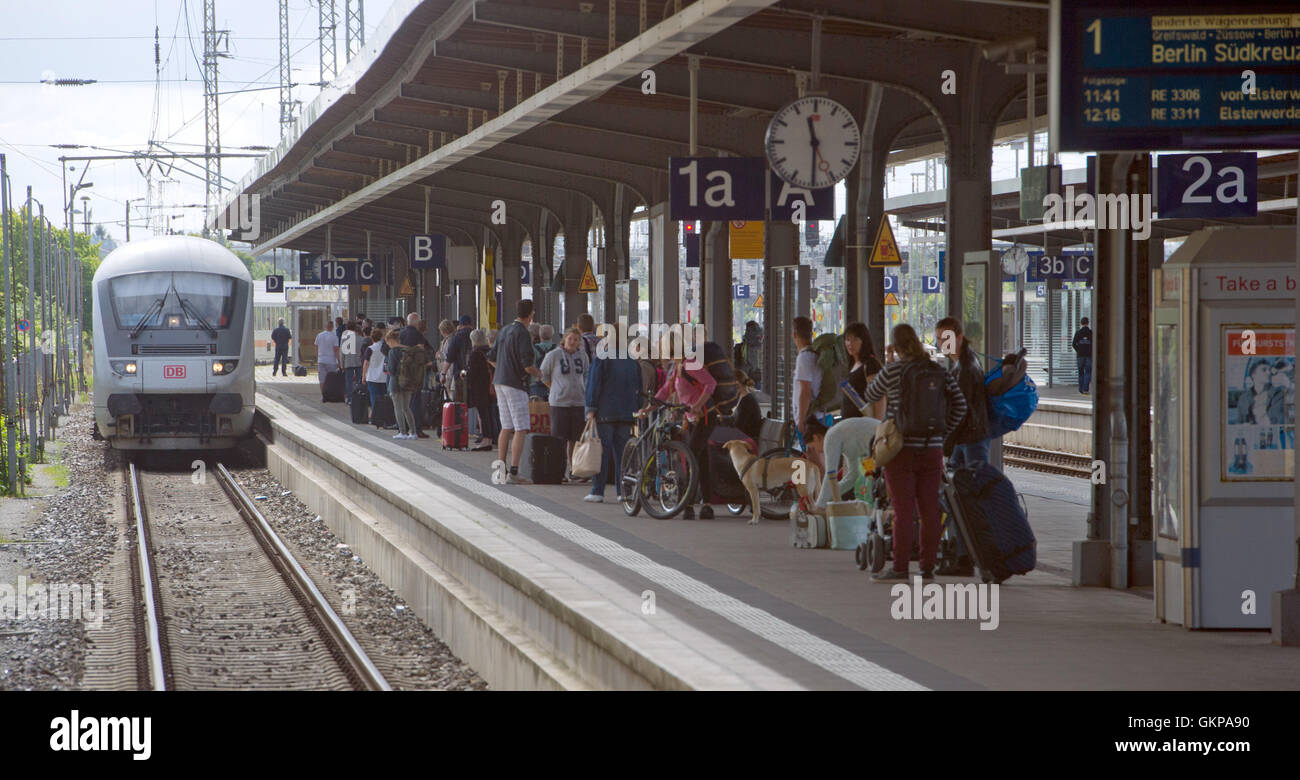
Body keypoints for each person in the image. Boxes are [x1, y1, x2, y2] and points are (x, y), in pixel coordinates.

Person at [860, 323, 968, 582]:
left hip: (900, 449)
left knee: (903, 510)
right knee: (930, 510)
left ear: (895, 346)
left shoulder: (893, 370)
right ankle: (927, 567)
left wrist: (888, 362)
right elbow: (960, 405)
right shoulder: (938, 370)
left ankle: (899, 568)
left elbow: (870, 393)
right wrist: (941, 434)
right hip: (931, 450)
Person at [654, 332, 717, 520]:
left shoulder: (690, 363)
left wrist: (697, 405)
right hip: (691, 419)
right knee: (700, 459)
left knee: (690, 456)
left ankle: (688, 504)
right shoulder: (678, 366)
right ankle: (706, 505)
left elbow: (711, 384)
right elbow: (667, 389)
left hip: (705, 416)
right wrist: (650, 406)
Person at [583, 322, 642, 503]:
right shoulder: (632, 360)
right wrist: (636, 409)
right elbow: (638, 387)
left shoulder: (603, 358)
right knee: (622, 455)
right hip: (626, 413)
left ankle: (597, 491)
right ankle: (622, 491)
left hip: (605, 412)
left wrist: (591, 408)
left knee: (602, 452)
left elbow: (594, 385)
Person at [488, 300, 541, 483]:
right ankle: (514, 473)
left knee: (506, 426)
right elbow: (527, 366)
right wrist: (539, 374)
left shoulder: (504, 331)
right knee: (521, 428)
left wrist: (503, 368)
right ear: (531, 314)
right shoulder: (523, 333)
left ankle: (500, 470)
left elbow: (491, 357)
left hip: (500, 382)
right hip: (515, 385)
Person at [936, 317, 991, 468]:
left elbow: (961, 407)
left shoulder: (965, 368)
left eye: (946, 338)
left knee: (976, 484)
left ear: (959, 337)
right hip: (966, 436)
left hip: (971, 437)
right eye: (939, 338)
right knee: (962, 484)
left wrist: (946, 440)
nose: (941, 343)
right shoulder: (965, 361)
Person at [540, 327, 589, 481]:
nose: (573, 342)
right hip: (559, 403)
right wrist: (555, 387)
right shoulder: (553, 355)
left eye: (576, 339)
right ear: (564, 339)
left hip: (579, 402)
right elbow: (543, 374)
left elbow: (587, 374)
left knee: (575, 438)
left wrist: (585, 390)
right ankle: (558, 470)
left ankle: (574, 469)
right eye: (570, 338)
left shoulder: (583, 356)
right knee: (559, 438)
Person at [800, 414, 879, 509]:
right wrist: (830, 498)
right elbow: (853, 475)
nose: (817, 451)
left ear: (816, 437)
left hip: (881, 443)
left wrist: (820, 504)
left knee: (870, 484)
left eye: (813, 447)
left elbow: (830, 475)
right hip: (877, 446)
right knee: (868, 482)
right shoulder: (841, 437)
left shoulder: (830, 437)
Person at [839, 322, 885, 421]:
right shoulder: (852, 364)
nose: (850, 344)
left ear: (864, 341)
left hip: (864, 426)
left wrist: (876, 426)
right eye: (847, 339)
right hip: (850, 425)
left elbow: (879, 397)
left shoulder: (870, 365)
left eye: (855, 339)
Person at [399, 312, 433, 439]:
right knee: (415, 401)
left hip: (401, 372)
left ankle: (403, 428)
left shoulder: (400, 333)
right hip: (415, 373)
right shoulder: (418, 335)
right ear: (416, 322)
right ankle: (416, 429)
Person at [465, 329, 497, 450]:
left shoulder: (475, 353)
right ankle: (489, 439)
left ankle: (486, 440)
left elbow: (472, 374)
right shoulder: (490, 351)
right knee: (488, 413)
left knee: (483, 414)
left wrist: (466, 377)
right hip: (490, 387)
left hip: (479, 389)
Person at [384, 330, 418, 439]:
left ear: (390, 340)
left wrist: (387, 366)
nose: (388, 345)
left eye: (388, 342)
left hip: (395, 382)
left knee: (398, 408)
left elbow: (391, 370)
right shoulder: (408, 350)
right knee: (406, 408)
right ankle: (413, 432)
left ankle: (402, 432)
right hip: (408, 382)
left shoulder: (393, 352)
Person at [791, 316, 822, 437]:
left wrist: (801, 420)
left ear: (795, 335)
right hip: (817, 415)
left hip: (810, 418)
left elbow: (805, 391)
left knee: (811, 455)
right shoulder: (814, 354)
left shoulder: (804, 358)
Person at [444, 314, 474, 402]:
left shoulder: (456, 337)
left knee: (460, 401)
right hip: (474, 374)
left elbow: (450, 358)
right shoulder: (476, 335)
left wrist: (443, 373)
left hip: (460, 374)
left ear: (460, 325)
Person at [730, 370, 763, 442]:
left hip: (747, 439)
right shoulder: (744, 397)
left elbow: (740, 425)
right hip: (745, 435)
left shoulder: (747, 401)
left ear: (737, 382)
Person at [361, 327, 388, 413]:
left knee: (374, 397)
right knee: (383, 397)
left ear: (372, 338)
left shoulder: (370, 349)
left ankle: (376, 414)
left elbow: (366, 363)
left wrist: (363, 376)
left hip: (372, 377)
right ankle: (384, 414)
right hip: (384, 377)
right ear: (381, 337)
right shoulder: (386, 348)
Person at [314, 323, 341, 402]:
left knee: (322, 379)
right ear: (332, 327)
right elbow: (336, 350)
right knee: (332, 379)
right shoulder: (334, 337)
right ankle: (331, 396)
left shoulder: (319, 335)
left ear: (325, 327)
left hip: (321, 360)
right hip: (331, 361)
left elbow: (316, 347)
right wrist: (339, 361)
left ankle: (323, 396)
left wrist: (317, 358)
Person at [530, 324, 558, 400]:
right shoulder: (557, 349)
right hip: (553, 382)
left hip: (537, 382)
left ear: (539, 335)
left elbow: (531, 365)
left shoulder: (534, 349)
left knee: (537, 409)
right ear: (552, 334)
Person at [341, 322, 364, 404]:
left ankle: (349, 398)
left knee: (349, 381)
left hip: (348, 362)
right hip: (359, 362)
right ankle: (358, 397)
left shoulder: (345, 338)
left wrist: (342, 364)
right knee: (358, 380)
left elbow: (342, 352)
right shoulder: (361, 339)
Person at [1071, 317, 1093, 395]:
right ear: (1088, 323)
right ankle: (1085, 389)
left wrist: (1079, 350)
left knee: (1081, 372)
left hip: (1080, 356)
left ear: (1081, 323)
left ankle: (1080, 389)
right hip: (1089, 355)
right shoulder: (1091, 333)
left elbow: (1073, 344)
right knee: (1088, 372)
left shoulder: (1078, 332)